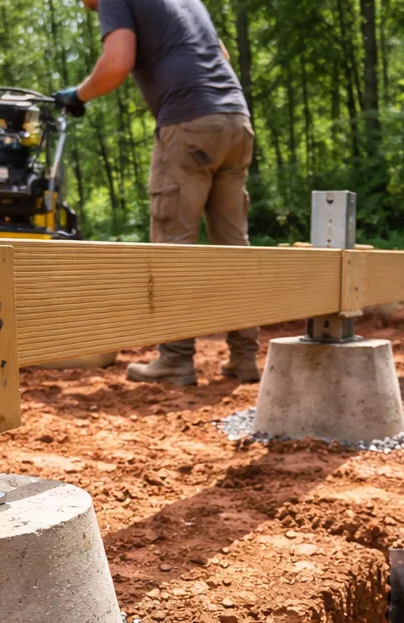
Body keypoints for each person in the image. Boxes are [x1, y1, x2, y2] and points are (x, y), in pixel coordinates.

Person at [55, 0, 260, 387]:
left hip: (189, 124)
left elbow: (117, 62)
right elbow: (221, 54)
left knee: (172, 246)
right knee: (233, 247)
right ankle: (245, 357)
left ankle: (176, 360)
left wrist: (77, 95)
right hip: (235, 119)